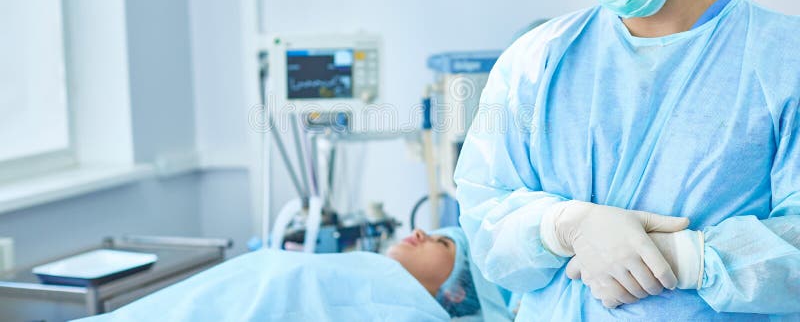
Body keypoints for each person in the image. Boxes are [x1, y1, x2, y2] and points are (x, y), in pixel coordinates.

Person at [455, 0, 800, 320]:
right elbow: (485, 220)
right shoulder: (536, 60)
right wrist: (562, 227)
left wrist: (686, 259)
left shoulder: (785, 60)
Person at [75, 228, 513, 322]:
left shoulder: (409, 310)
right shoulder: (361, 270)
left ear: (458, 295)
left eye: (443, 244)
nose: (421, 232)